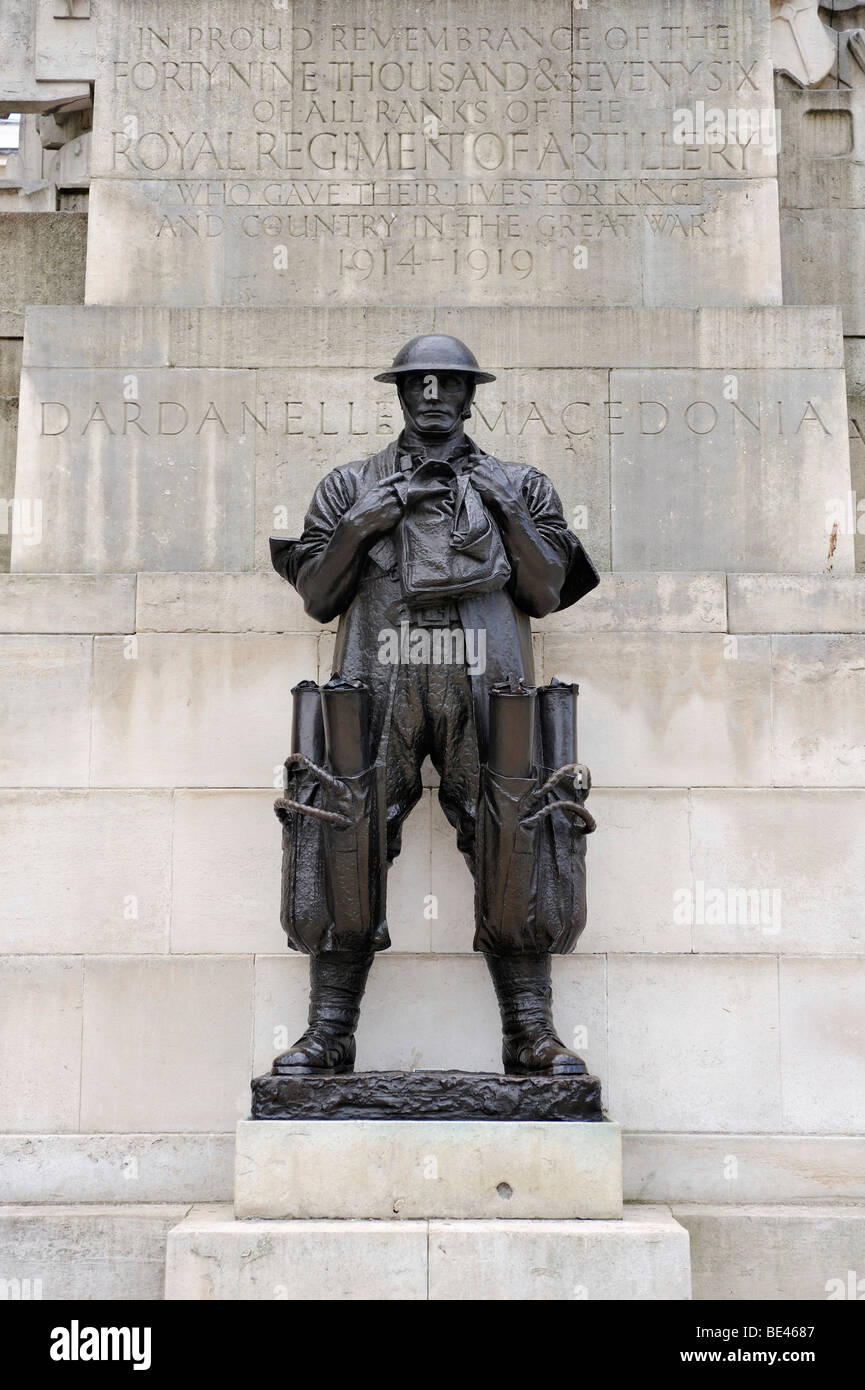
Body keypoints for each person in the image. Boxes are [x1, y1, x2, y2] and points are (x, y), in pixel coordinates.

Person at [270, 334, 600, 1076]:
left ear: (469, 393)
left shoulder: (522, 483)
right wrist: (370, 517)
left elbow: (546, 593)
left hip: (485, 677)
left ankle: (529, 1031)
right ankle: (329, 1032)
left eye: (445, 383)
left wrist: (506, 506)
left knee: (512, 837)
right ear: (397, 392)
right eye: (416, 382)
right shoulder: (348, 484)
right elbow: (319, 596)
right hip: (377, 674)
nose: (430, 395)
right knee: (342, 834)